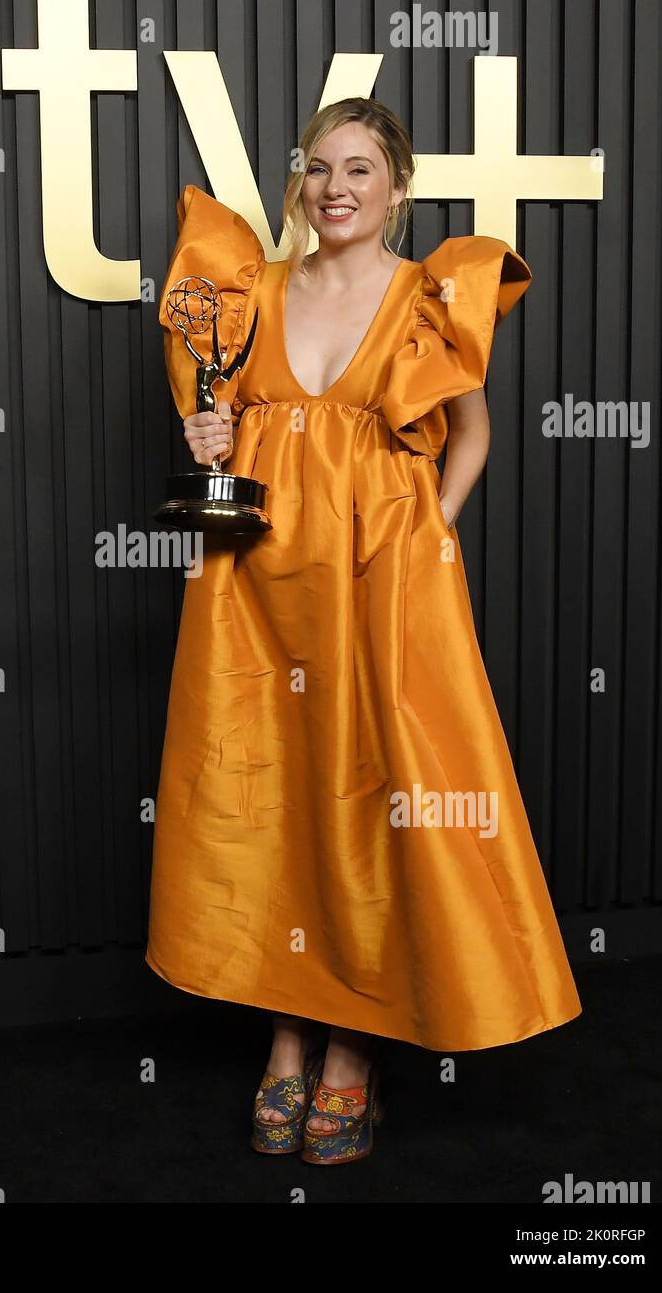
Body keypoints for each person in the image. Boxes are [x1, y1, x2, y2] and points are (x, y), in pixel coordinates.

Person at [145, 96, 582, 1166]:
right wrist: (208, 434)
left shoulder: (421, 298)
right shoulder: (250, 294)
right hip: (257, 582)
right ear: (299, 184)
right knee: (271, 795)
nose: (333, 189)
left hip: (382, 582)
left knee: (373, 793)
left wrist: (430, 532)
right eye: (316, 169)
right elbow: (226, 427)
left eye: (358, 170)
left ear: (395, 187)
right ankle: (286, 1031)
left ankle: (351, 1047)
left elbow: (470, 432)